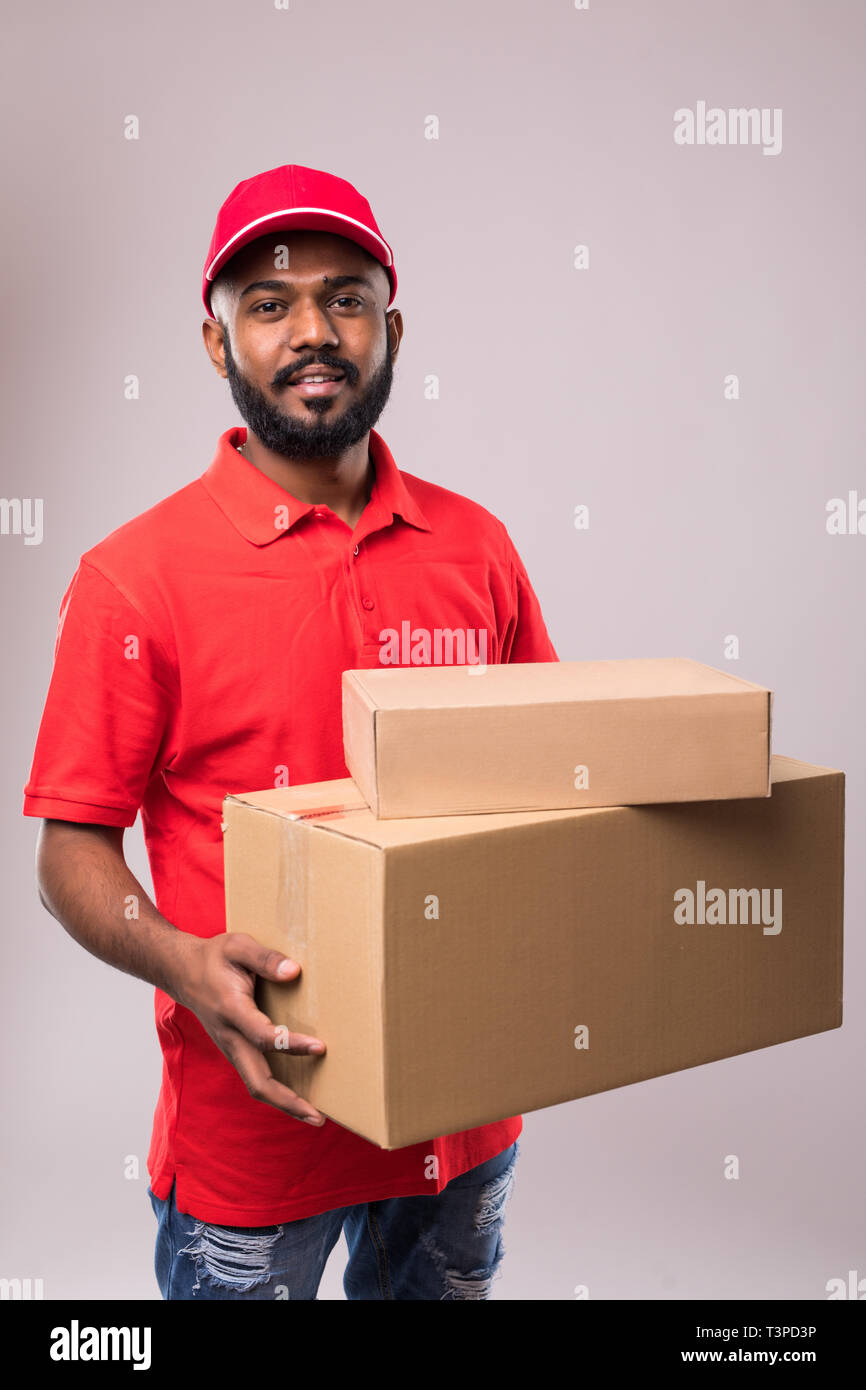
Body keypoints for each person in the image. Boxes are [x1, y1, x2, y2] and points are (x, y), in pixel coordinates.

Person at [23, 163, 559, 1300]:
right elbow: (70, 850)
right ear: (217, 344)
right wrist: (179, 961)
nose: (313, 330)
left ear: (390, 326)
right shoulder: (135, 580)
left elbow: (554, 783)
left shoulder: (479, 549)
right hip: (256, 1130)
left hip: (458, 1115)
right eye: (268, 305)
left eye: (344, 297)